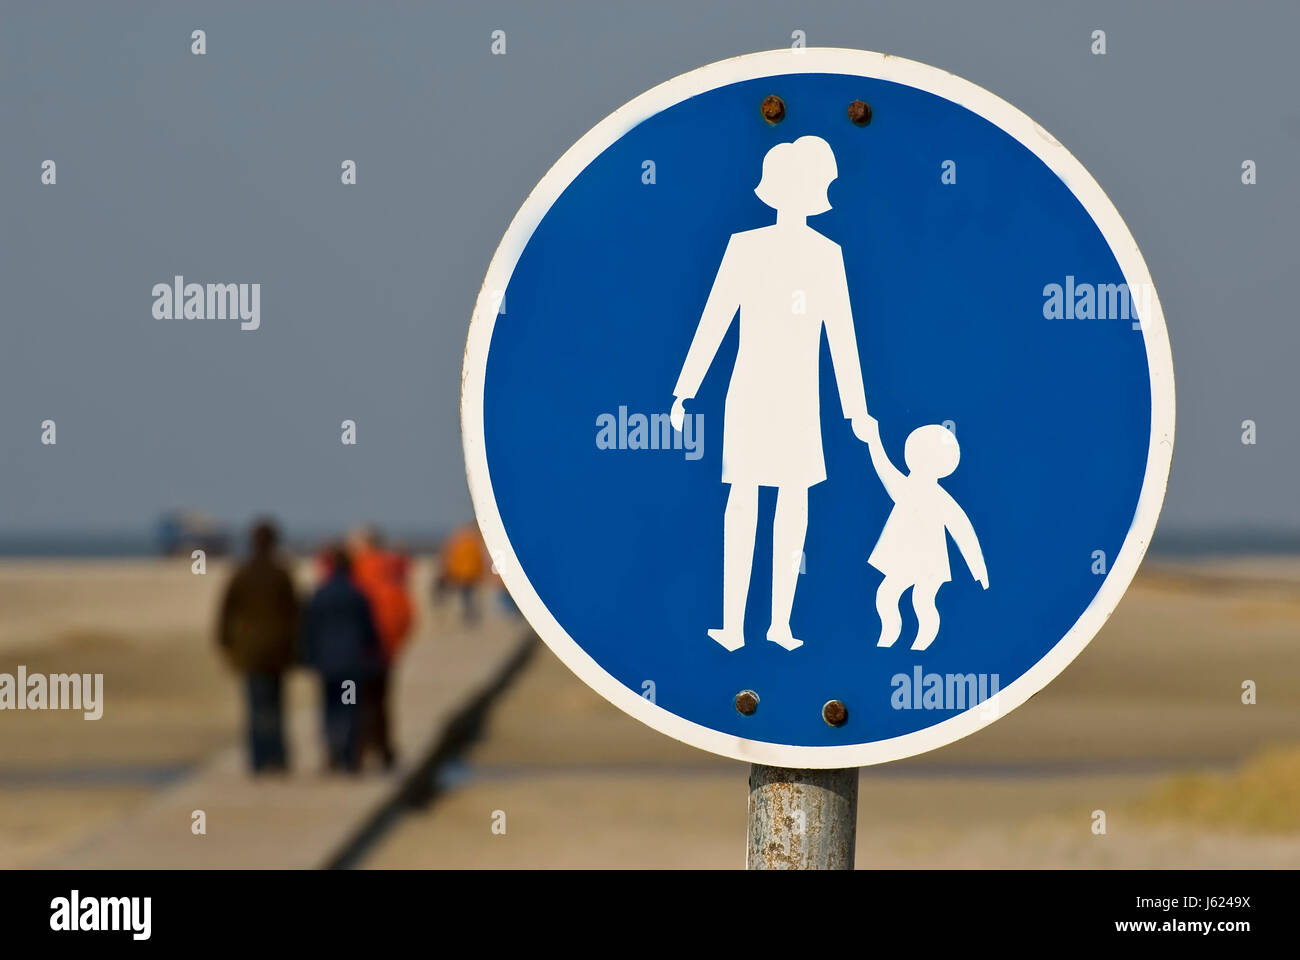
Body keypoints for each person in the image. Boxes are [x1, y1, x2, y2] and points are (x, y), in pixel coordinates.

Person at [670, 136, 872, 652]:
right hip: (752, 392)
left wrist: (857, 410)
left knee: (789, 504)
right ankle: (734, 626)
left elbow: (841, 336)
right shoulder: (746, 248)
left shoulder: (827, 256)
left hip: (800, 397)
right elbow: (714, 320)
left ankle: (779, 624)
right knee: (745, 502)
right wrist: (685, 389)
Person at [862, 421, 988, 651]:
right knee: (888, 594)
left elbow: (962, 530)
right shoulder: (906, 486)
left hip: (930, 562)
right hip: (904, 558)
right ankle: (888, 638)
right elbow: (884, 468)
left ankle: (920, 645)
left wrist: (978, 569)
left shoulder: (937, 496)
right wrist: (873, 439)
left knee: (921, 600)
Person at [216, 519, 299, 774]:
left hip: (251, 651)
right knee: (275, 706)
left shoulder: (242, 573)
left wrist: (226, 644)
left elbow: (226, 613)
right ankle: (277, 757)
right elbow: (296, 613)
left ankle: (260, 759)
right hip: (278, 650)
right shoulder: (281, 574)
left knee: (256, 707)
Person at [300, 546, 382, 773]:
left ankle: (332, 750)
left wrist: (309, 656)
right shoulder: (358, 594)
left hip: (327, 662)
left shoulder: (320, 593)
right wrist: (374, 654)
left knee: (330, 707)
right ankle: (348, 755)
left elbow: (309, 628)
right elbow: (369, 630)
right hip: (351, 662)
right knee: (350, 707)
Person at [348, 527, 413, 769]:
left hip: (361, 651)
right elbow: (405, 614)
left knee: (355, 702)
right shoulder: (391, 576)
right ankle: (383, 751)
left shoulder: (356, 574)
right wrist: (395, 643)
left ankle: (359, 751)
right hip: (385, 651)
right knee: (380, 703)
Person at [436, 524, 487, 624]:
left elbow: (452, 556)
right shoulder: (474, 541)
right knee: (468, 596)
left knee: (466, 596)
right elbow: (479, 558)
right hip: (470, 573)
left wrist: (451, 571)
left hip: (463, 573)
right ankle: (469, 615)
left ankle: (467, 615)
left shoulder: (461, 541)